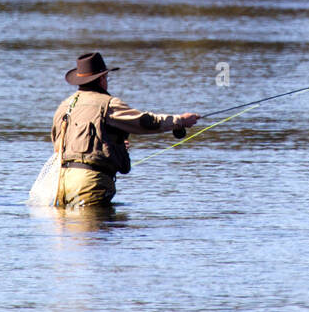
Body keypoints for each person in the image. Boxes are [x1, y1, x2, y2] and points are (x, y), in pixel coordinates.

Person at [50, 51, 199, 208]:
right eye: (106, 77)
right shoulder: (107, 103)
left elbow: (60, 146)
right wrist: (180, 120)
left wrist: (112, 145)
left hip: (62, 182)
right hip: (90, 183)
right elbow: (144, 122)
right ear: (101, 79)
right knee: (96, 231)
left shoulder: (64, 106)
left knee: (73, 230)